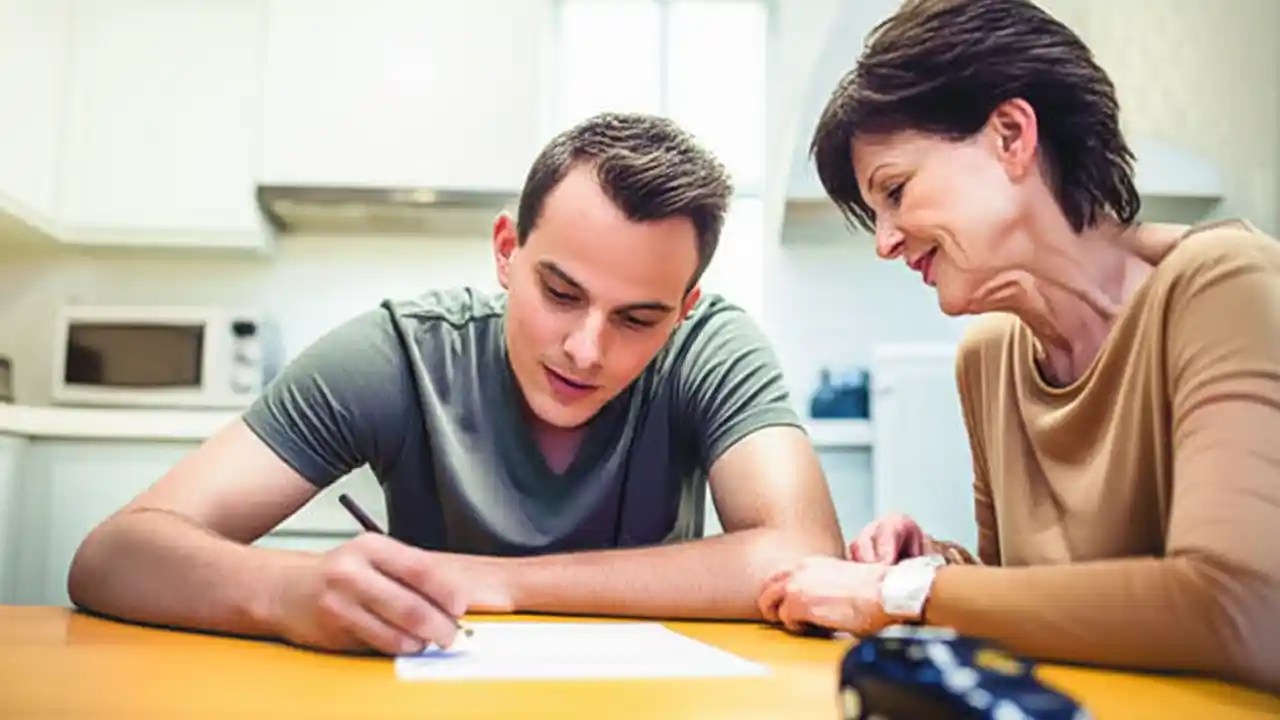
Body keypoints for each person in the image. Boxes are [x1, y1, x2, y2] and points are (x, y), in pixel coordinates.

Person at [68, 112, 845, 656]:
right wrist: (287, 595)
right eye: (561, 294)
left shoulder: (712, 348)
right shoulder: (400, 354)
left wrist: (487, 582)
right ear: (507, 250)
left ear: (684, 309)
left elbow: (804, 552)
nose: (585, 348)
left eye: (638, 319)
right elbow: (116, 555)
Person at [759, 0, 1280, 693]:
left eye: (896, 190)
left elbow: (1240, 609)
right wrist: (935, 567)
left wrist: (897, 597)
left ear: (1010, 135)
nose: (884, 242)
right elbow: (1038, 601)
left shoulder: (1226, 286)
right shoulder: (990, 358)